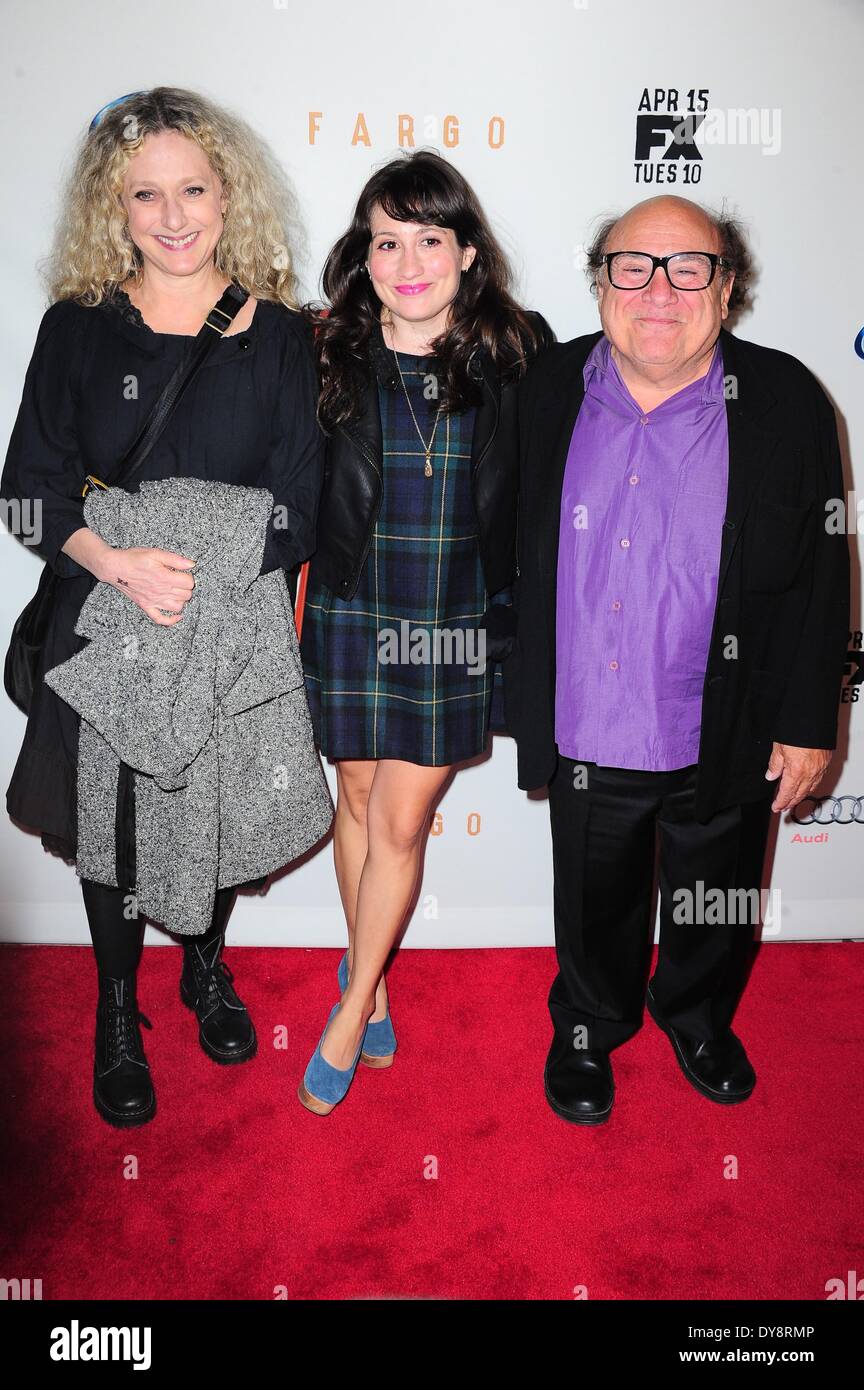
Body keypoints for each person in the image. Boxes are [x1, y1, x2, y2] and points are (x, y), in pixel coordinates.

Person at [0, 88, 326, 1128]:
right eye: (147, 194)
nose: (174, 215)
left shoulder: (280, 335)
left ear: (230, 195)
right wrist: (121, 563)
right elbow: (26, 489)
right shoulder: (76, 330)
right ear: (114, 205)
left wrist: (197, 572)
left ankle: (206, 965)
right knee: (115, 827)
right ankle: (111, 1006)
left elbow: (299, 503)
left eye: (194, 188)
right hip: (104, 616)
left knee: (215, 808)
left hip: (231, 623)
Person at [505, 194, 850, 1125]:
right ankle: (587, 1026)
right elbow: (499, 540)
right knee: (592, 908)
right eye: (633, 266)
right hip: (588, 715)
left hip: (726, 716)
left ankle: (696, 1016)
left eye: (688, 266)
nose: (659, 290)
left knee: (719, 900)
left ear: (727, 288)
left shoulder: (786, 401)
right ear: (601, 281)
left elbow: (825, 570)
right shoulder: (544, 387)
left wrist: (810, 722)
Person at [297, 149, 554, 1114]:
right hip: (354, 603)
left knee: (402, 819)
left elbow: (545, 490)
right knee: (356, 802)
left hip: (453, 616)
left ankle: (351, 1004)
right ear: (364, 256)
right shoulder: (326, 348)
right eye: (386, 242)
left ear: (467, 251)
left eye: (429, 240)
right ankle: (379, 974)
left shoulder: (520, 354)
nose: (408, 263)